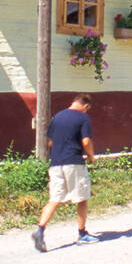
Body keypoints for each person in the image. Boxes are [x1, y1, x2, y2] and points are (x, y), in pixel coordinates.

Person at [31, 94, 100, 252]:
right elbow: (86, 141)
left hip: (56, 163)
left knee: (55, 199)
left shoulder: (57, 117)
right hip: (74, 162)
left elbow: (50, 142)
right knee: (82, 197)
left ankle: (40, 230)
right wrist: (91, 156)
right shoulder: (83, 118)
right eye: (87, 109)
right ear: (85, 106)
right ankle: (82, 234)